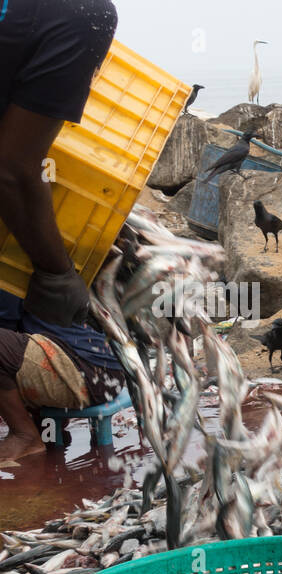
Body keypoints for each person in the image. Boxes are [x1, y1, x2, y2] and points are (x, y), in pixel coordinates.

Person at [0, 0, 123, 468]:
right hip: (58, 357)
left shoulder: (77, 13)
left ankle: (25, 434)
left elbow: (11, 166)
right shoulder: (79, 15)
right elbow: (14, 166)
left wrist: (56, 273)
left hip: (89, 371)